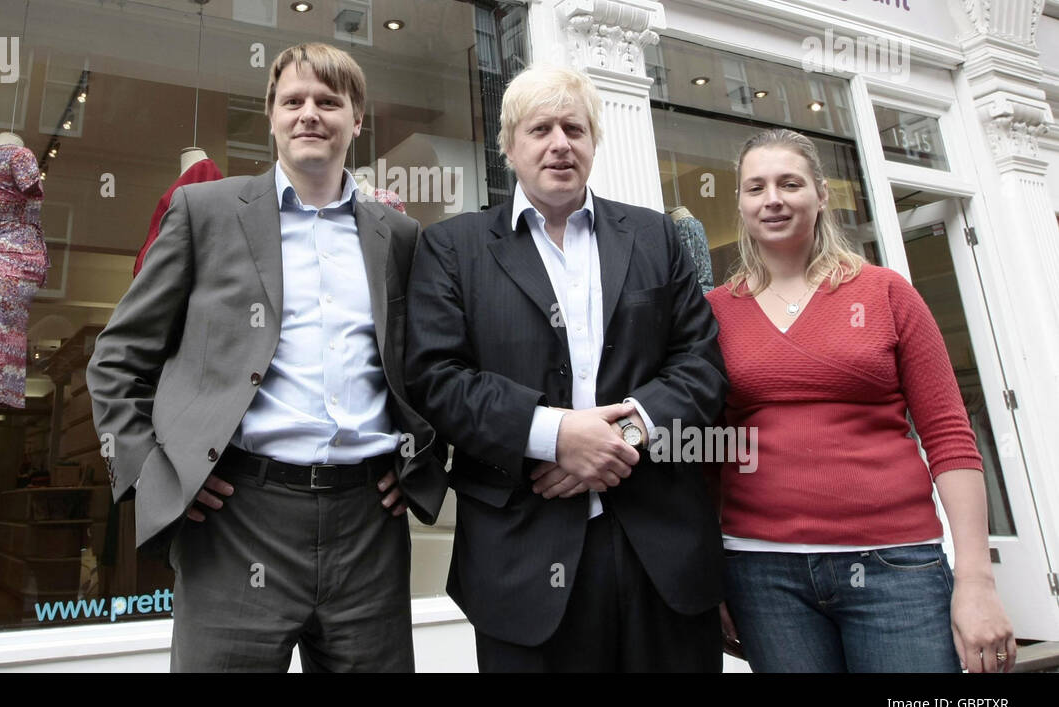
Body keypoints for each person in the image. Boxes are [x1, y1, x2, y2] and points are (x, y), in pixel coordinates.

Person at [87, 42, 446, 672]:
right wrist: (153, 473)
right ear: (272, 117)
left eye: (329, 101)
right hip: (235, 519)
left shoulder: (399, 236)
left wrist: (422, 458)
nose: (310, 113)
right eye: (294, 101)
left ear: (355, 120)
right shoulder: (206, 211)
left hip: (368, 526)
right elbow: (118, 358)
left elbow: (431, 364)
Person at [405, 66, 728, 672]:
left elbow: (702, 364)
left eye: (574, 128)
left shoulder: (657, 237)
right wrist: (555, 437)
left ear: (594, 142)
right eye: (541, 129)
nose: (560, 143)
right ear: (509, 146)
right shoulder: (452, 248)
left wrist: (616, 441)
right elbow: (436, 377)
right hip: (522, 558)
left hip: (660, 551)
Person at [708, 127, 1015, 673]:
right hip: (762, 572)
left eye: (789, 183)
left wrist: (975, 581)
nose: (772, 198)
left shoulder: (886, 292)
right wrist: (712, 575)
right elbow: (707, 450)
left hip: (896, 566)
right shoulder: (712, 313)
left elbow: (948, 437)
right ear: (740, 202)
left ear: (822, 195)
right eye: (755, 187)